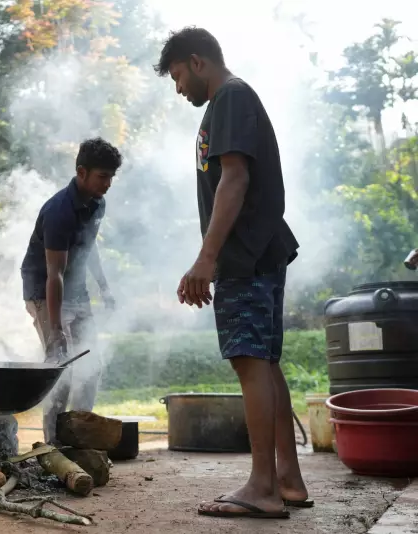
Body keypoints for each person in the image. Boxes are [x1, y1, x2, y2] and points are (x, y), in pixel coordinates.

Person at [154, 27, 309, 519]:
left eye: (178, 76)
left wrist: (207, 256)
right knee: (263, 361)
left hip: (245, 255)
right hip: (256, 251)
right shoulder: (230, 102)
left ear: (197, 62)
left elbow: (235, 178)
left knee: (249, 360)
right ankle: (286, 479)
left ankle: (261, 485)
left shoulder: (231, 97)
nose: (178, 89)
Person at [20, 137, 122, 444]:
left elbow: (88, 249)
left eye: (111, 177)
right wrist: (56, 329)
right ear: (81, 172)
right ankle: (53, 444)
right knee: (60, 366)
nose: (108, 184)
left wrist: (104, 289)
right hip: (45, 289)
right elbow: (54, 275)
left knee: (92, 363)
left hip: (74, 289)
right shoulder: (59, 212)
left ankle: (80, 436)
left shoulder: (97, 204)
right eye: (103, 177)